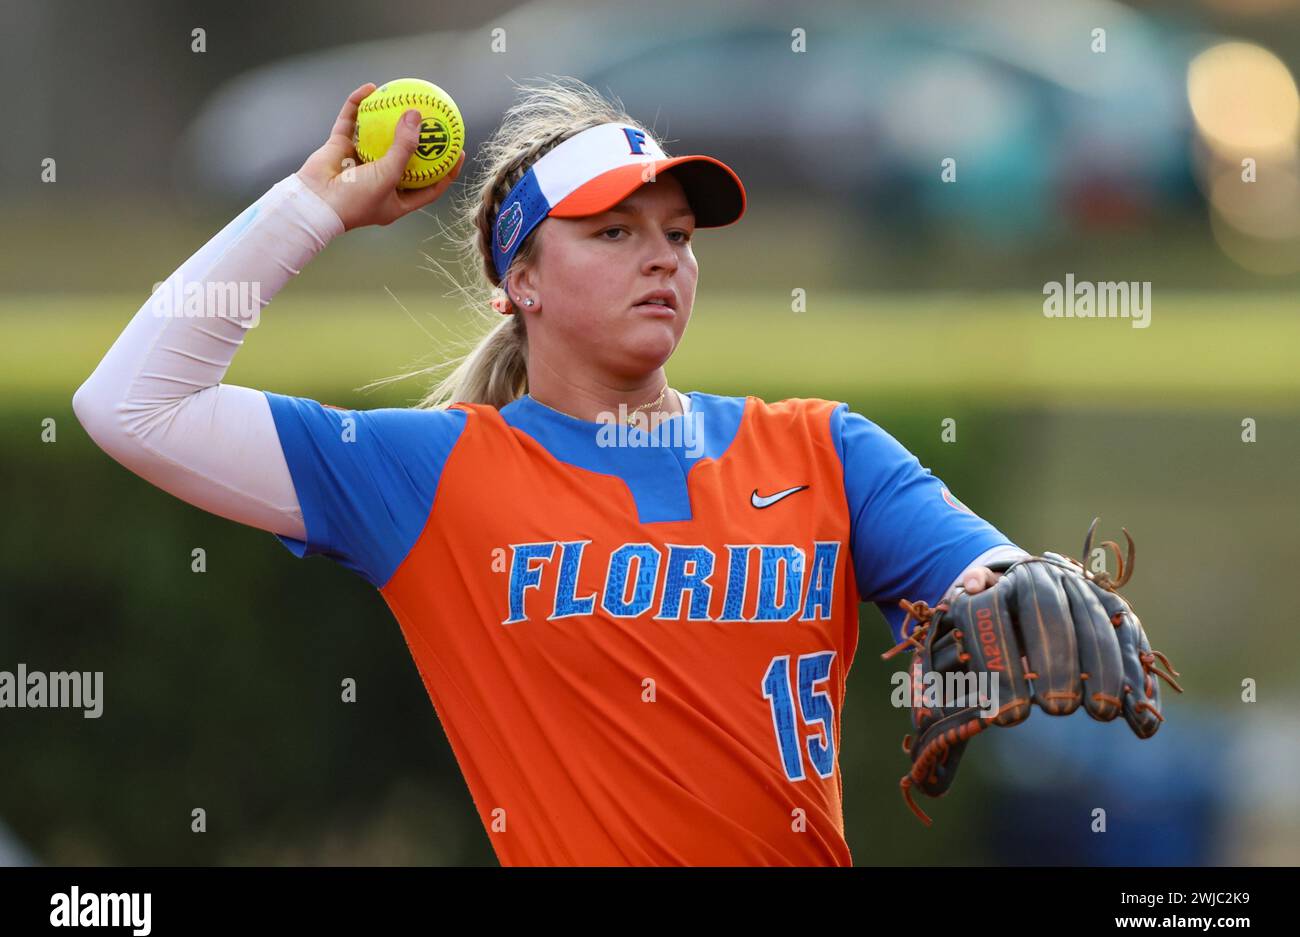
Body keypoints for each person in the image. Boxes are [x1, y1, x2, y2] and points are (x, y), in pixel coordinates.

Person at [72, 77, 1027, 865]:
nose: (661, 259)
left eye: (679, 235)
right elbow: (132, 404)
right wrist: (314, 206)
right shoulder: (431, 474)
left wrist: (1029, 594)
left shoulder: (824, 450)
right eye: (613, 232)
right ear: (518, 282)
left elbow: (1005, 589)